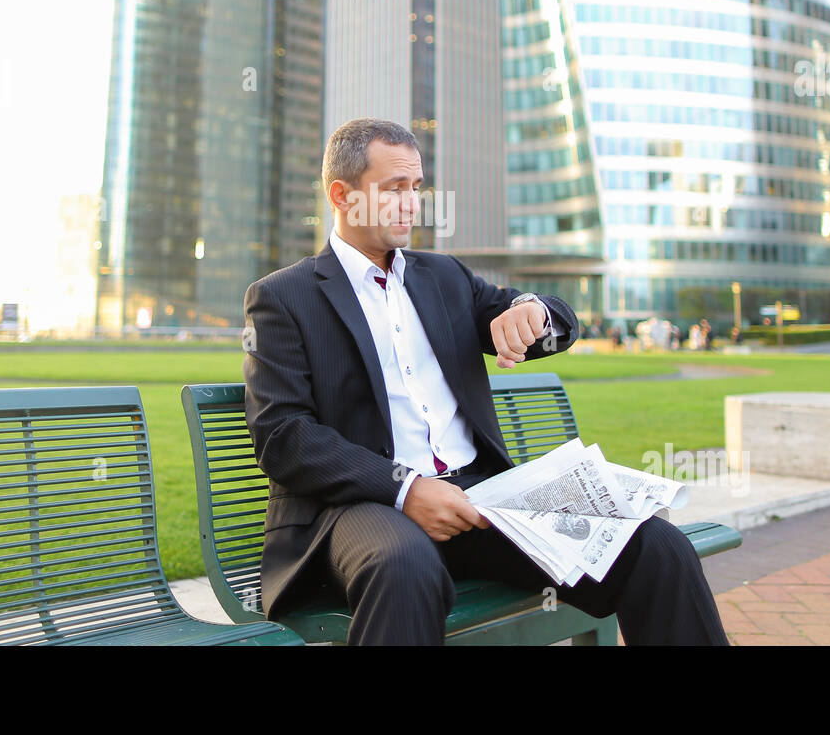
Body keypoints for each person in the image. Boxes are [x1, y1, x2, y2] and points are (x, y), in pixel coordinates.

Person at [242, 118, 728, 645]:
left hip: (481, 501)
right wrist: (405, 489)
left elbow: (552, 321)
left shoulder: (444, 278)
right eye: (394, 189)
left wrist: (536, 313)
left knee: (655, 545)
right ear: (342, 194)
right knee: (404, 568)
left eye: (417, 188)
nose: (411, 204)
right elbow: (283, 435)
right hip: (364, 508)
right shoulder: (285, 297)